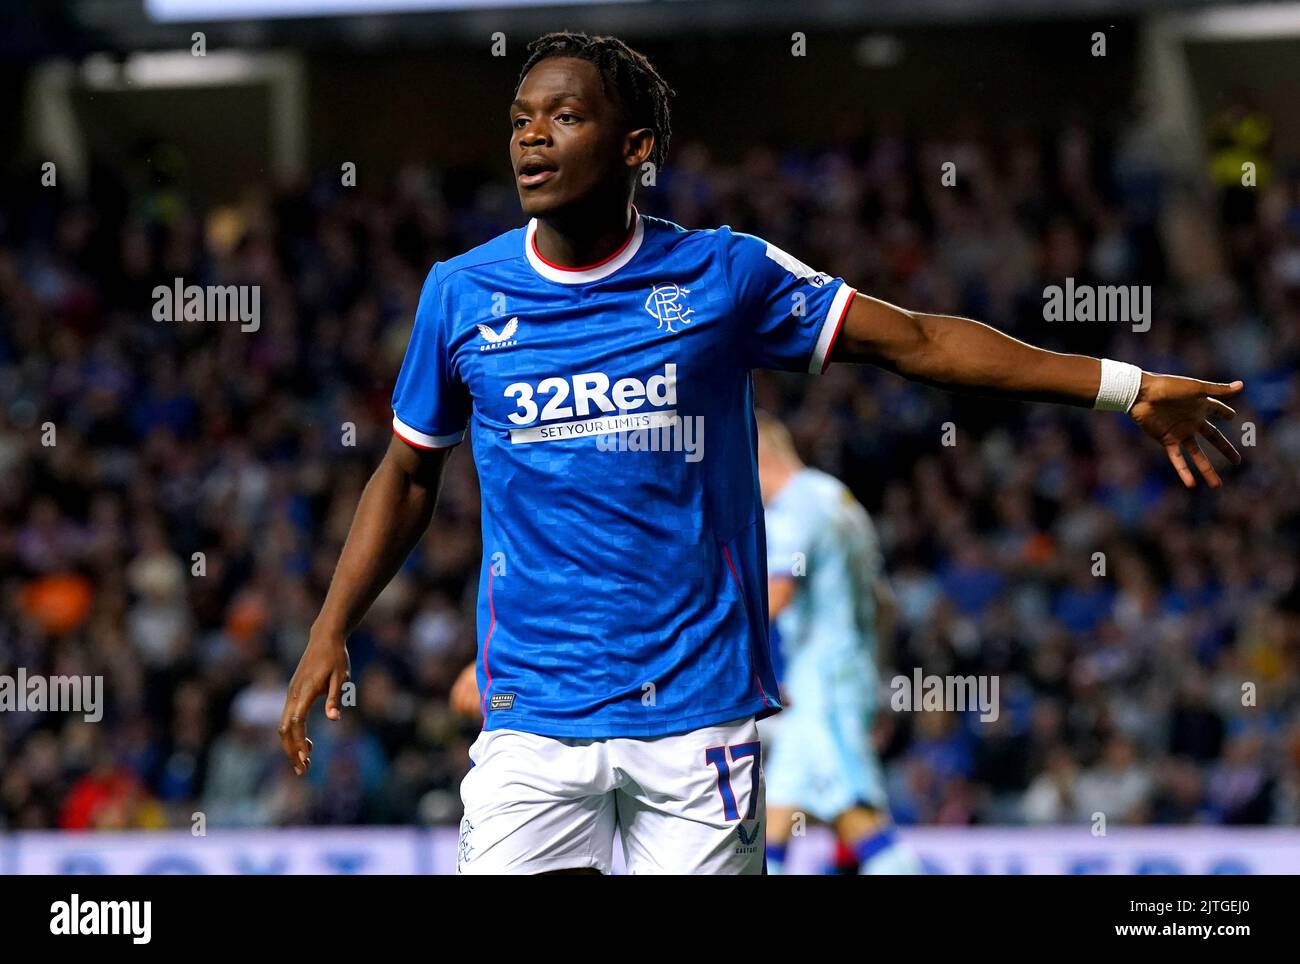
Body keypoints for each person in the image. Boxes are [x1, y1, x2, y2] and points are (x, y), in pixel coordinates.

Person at [279, 31, 1243, 875]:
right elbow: (408, 473)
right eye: (522, 118)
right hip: (533, 713)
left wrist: (1125, 386)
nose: (532, 136)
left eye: (564, 117)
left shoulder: (725, 273)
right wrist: (331, 626)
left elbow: (914, 341)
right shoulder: (461, 293)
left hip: (697, 715)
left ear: (635, 146)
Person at [755, 413, 920, 874]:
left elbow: (779, 591)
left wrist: (712, 642)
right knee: (777, 815)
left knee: (855, 813)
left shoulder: (792, 507)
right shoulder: (839, 499)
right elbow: (883, 605)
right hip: (840, 673)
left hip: (824, 685)